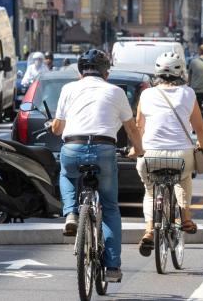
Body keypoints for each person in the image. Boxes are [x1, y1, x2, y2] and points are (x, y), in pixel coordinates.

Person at [47, 48, 144, 284]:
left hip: (73, 147)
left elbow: (59, 128)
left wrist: (53, 125)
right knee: (110, 207)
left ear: (80, 73)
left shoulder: (68, 89)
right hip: (104, 149)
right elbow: (131, 128)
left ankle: (71, 213)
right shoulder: (116, 91)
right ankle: (112, 267)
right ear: (106, 74)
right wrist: (138, 150)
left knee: (67, 175)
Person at [136, 52, 203, 255]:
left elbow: (138, 126)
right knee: (183, 179)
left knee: (150, 190)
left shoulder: (146, 94)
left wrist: (136, 149)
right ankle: (185, 217)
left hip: (150, 153)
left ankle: (149, 230)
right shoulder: (188, 93)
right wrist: (202, 143)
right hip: (181, 154)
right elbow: (199, 126)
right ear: (181, 71)